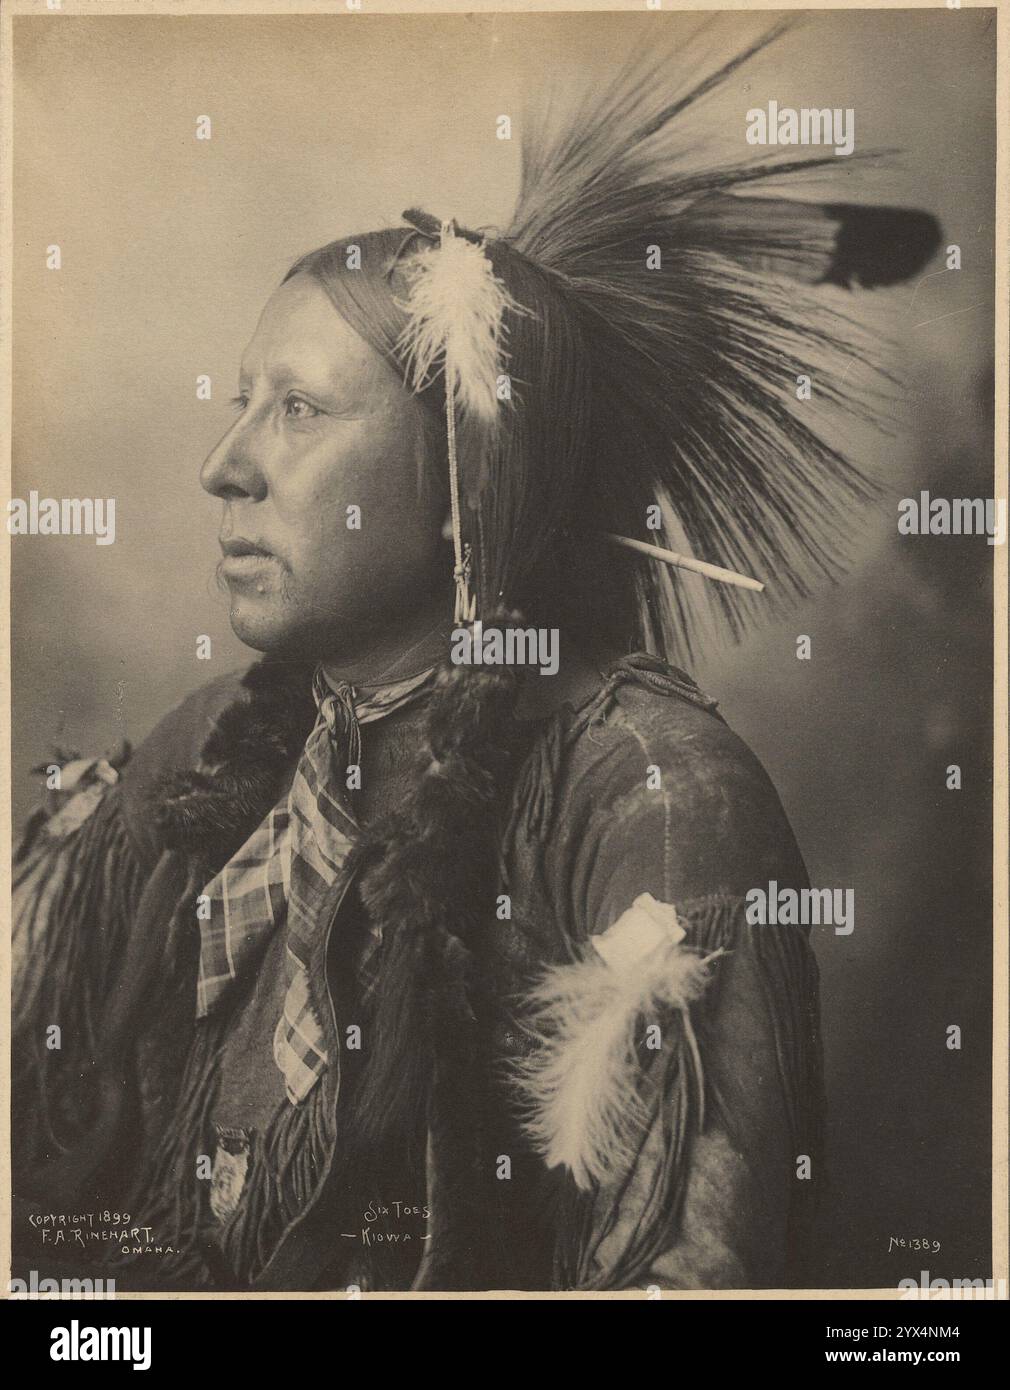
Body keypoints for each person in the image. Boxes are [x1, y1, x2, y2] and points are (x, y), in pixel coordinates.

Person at [11, 28, 938, 1291]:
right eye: (239, 401)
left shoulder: (654, 801)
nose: (222, 466)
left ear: (462, 481)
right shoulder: (214, 745)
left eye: (296, 410)